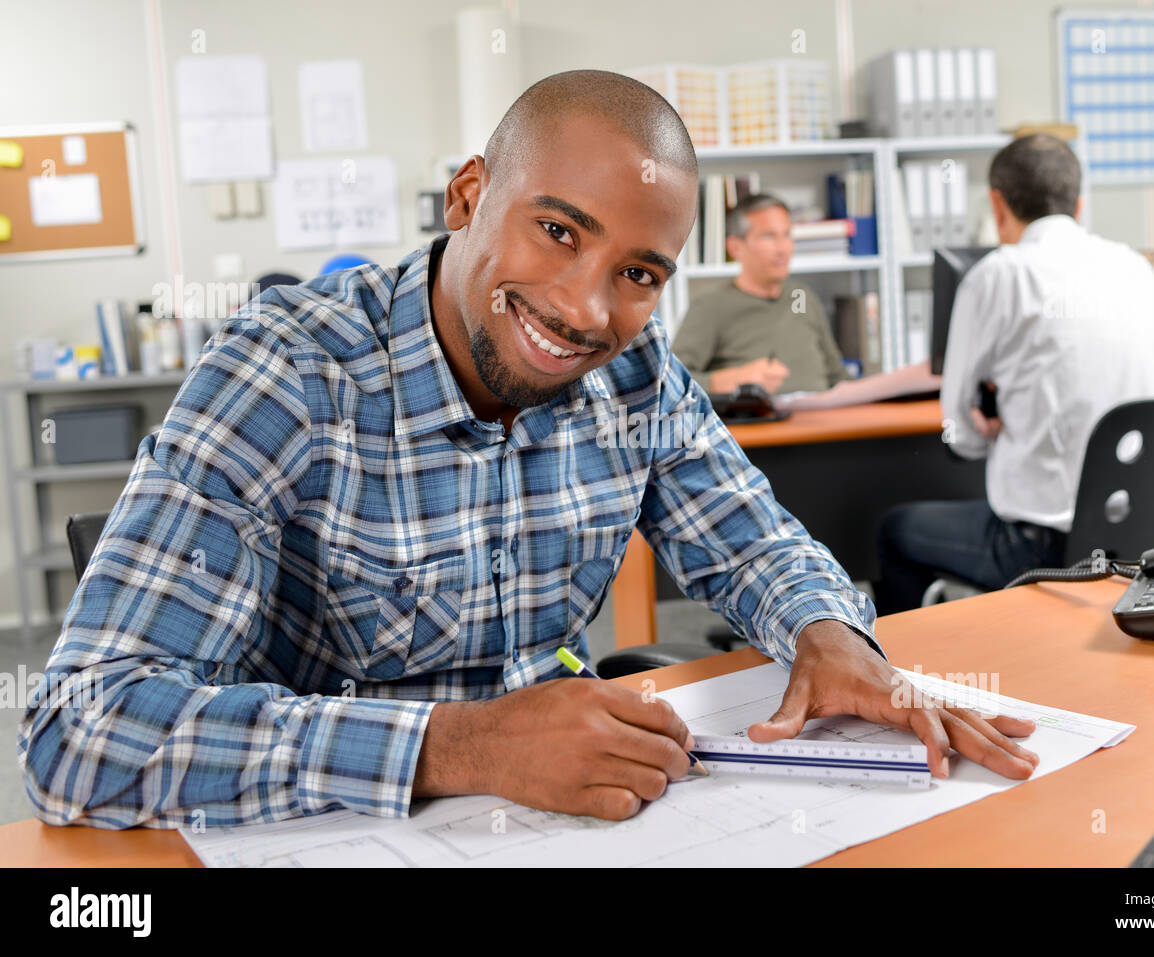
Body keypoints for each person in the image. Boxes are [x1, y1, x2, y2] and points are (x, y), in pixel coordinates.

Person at [20, 71, 1038, 830]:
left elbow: (749, 541)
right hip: (332, 828)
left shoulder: (634, 378)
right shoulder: (288, 374)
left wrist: (829, 637)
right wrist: (458, 747)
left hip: (563, 828)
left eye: (638, 272)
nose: (588, 308)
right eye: (557, 231)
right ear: (467, 197)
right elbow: (78, 733)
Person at [874, 133, 1154, 614]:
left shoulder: (999, 274)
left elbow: (960, 438)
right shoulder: (1136, 267)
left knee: (895, 530)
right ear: (1078, 203)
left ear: (997, 205)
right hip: (1153, 537)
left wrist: (988, 429)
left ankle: (901, 681)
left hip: (1049, 549)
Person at [671, 194, 848, 395]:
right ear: (735, 247)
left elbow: (839, 377)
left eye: (787, 235)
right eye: (768, 236)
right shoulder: (710, 306)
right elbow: (671, 382)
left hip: (827, 421)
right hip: (759, 423)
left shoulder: (802, 296)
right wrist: (734, 379)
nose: (783, 249)